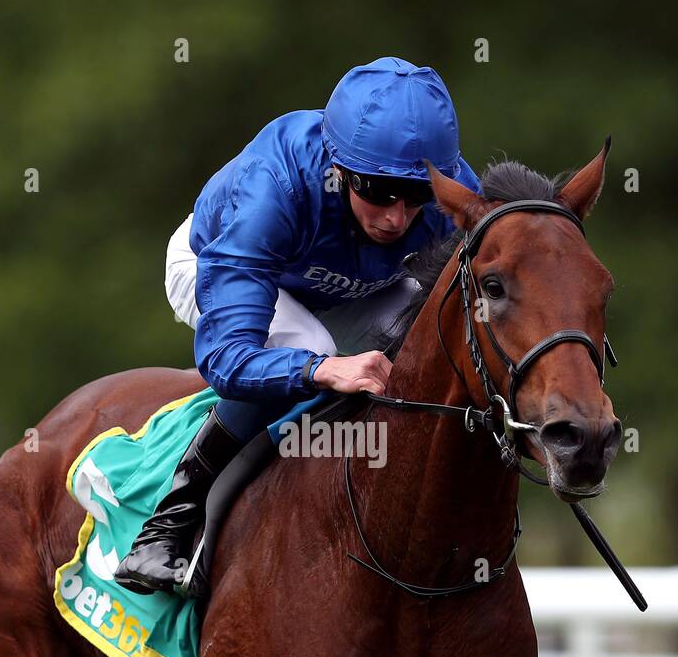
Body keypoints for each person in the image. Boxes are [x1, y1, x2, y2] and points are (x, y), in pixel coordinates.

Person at [115, 56, 481, 596]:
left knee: (427, 324)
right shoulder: (275, 186)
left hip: (343, 284)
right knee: (312, 344)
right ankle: (169, 523)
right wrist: (323, 368)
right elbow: (227, 359)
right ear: (340, 167)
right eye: (378, 192)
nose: (397, 219)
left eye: (417, 196)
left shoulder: (454, 190)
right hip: (214, 263)